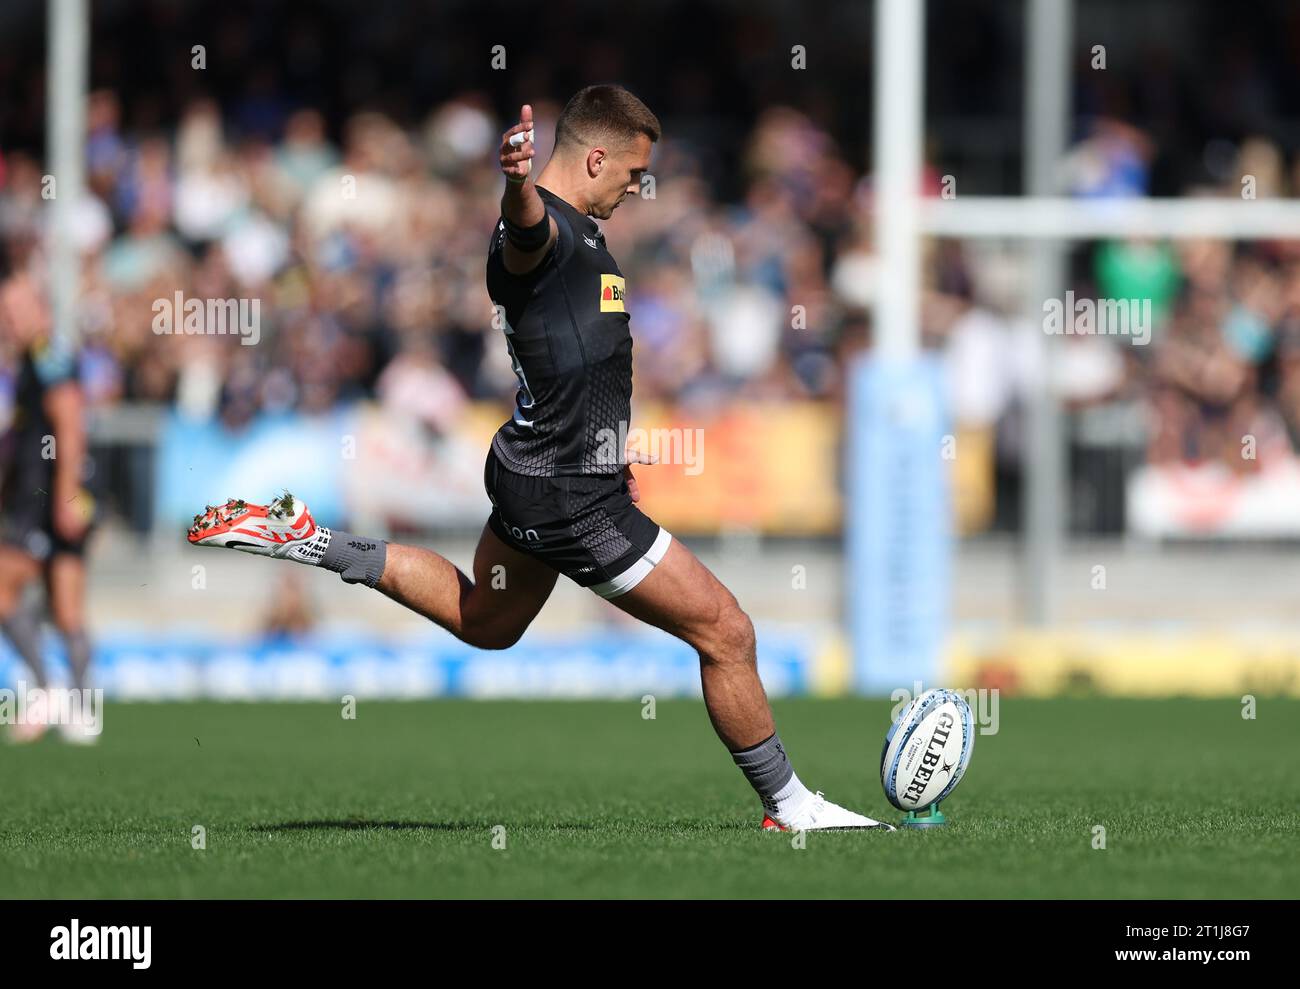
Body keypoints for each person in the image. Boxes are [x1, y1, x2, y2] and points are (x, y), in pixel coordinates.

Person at [189, 85, 892, 831]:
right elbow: (524, 237)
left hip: (541, 473)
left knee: (485, 620)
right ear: (596, 158)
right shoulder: (542, 230)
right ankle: (790, 806)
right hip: (570, 498)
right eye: (630, 173)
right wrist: (516, 186)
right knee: (727, 630)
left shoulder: (584, 234)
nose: (633, 188)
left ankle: (312, 537)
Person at [0, 272, 97, 743]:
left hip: (48, 499)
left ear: (39, 310)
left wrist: (66, 494)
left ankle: (52, 689)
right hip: (41, 497)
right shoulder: (28, 360)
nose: (7, 321)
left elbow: (71, 421)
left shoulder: (48, 354)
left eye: (13, 311)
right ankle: (76, 707)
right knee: (66, 609)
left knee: (9, 589)